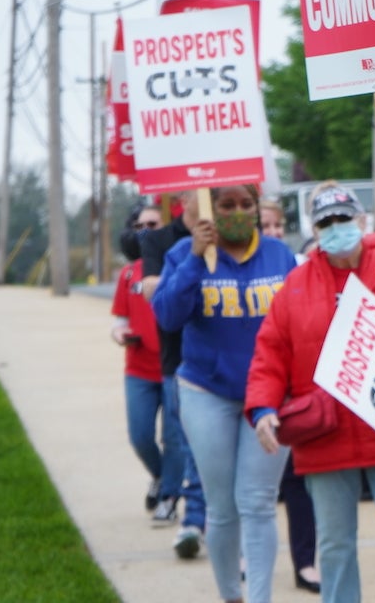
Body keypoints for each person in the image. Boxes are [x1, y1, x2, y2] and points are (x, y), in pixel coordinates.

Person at [245, 181, 375, 603]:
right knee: (334, 548)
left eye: (343, 219)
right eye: (326, 222)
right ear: (314, 230)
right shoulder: (295, 286)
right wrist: (262, 407)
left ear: (362, 220)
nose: (336, 228)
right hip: (325, 438)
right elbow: (270, 353)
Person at [153, 184, 299, 603]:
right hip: (206, 392)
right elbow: (167, 316)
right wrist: (196, 259)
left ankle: (260, 598)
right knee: (222, 508)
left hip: (269, 396)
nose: (237, 211)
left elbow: (298, 324)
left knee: (257, 502)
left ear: (257, 208)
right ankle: (230, 595)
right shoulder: (184, 253)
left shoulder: (279, 256)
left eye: (246, 204)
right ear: (210, 210)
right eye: (227, 205)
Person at [259, 195, 321, 594]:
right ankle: (247, 554)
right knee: (258, 487)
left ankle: (306, 561)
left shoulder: (296, 266)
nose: (274, 233)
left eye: (278, 226)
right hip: (257, 384)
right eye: (266, 227)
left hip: (294, 387)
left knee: (298, 480)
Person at [140, 190, 208, 551]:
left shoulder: (232, 240)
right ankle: (193, 516)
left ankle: (200, 519)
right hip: (177, 359)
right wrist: (193, 256)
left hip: (221, 361)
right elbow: (155, 294)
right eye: (204, 191)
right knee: (184, 441)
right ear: (184, 196)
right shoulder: (162, 242)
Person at [110, 204, 166, 513]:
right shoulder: (128, 273)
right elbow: (119, 320)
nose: (146, 232)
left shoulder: (177, 265)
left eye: (153, 225)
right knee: (141, 435)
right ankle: (160, 476)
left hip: (173, 369)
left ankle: (169, 495)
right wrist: (119, 334)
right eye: (140, 226)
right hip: (139, 369)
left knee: (175, 439)